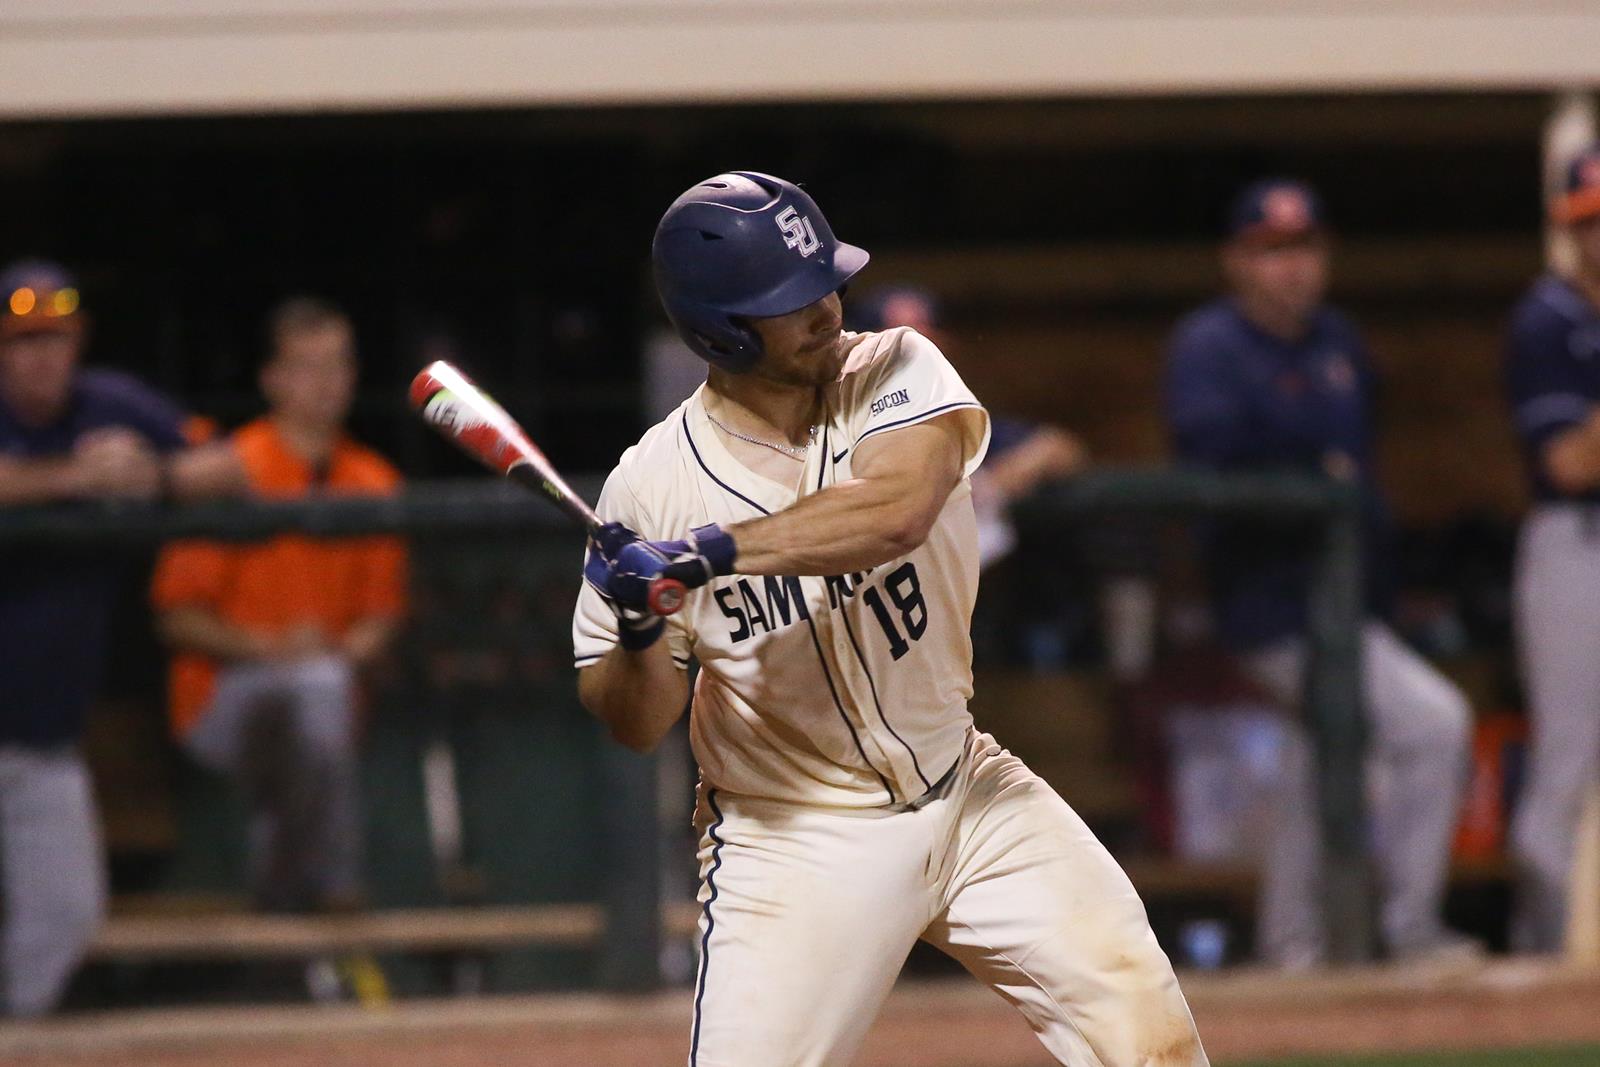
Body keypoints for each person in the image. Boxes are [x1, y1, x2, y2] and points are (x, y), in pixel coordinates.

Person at [575, 172, 1206, 1067]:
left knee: (1150, 1038)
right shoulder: (649, 487)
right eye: (789, 300)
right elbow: (635, 721)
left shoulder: (898, 365)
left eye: (826, 280)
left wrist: (709, 554)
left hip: (971, 792)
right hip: (794, 839)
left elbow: (897, 509)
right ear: (718, 328)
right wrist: (639, 628)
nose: (827, 306)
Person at [1162, 179, 1475, 968]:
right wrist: (1308, 453)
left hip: (1344, 602)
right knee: (1433, 724)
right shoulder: (1211, 345)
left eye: (1302, 248)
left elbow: (1358, 466)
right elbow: (1214, 452)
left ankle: (1293, 948)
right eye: (1272, 251)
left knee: (1314, 761)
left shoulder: (1337, 340)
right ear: (1237, 262)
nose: (1292, 268)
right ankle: (1409, 929)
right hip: (1268, 603)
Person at [0, 258, 244, 1015]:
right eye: (22, 340)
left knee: (67, 913)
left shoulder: (107, 403)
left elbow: (229, 465)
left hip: (42, 740)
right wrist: (76, 478)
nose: (41, 354)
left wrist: (153, 476)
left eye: (55, 338)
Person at [151, 297, 406, 913]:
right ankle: (333, 888)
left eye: (339, 365)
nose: (326, 383)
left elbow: (380, 616)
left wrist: (344, 649)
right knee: (316, 687)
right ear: (273, 379)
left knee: (320, 689)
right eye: (307, 366)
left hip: (324, 695)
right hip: (221, 699)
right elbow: (175, 617)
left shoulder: (372, 480)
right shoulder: (232, 469)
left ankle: (282, 899)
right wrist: (274, 647)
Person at [1504, 144, 1600, 953]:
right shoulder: (1548, 319)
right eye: (1591, 224)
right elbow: (1568, 461)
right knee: (1568, 753)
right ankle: (1545, 955)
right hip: (1577, 541)